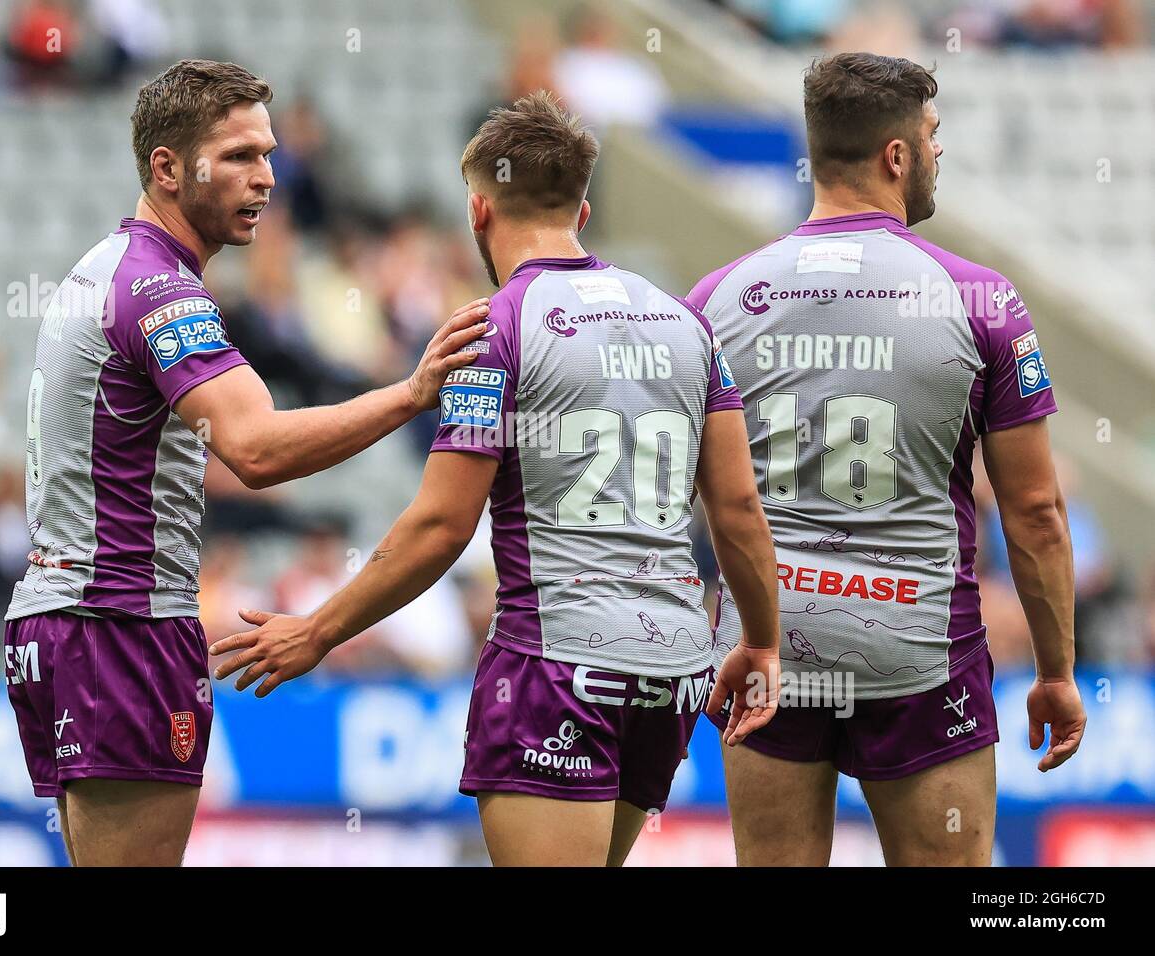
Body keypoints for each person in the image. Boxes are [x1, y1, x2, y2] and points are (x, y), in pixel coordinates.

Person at [211, 90, 781, 867]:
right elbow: (740, 507)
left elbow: (443, 525)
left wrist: (319, 629)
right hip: (670, 671)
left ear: (478, 211)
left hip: (558, 664)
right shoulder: (686, 323)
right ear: (583, 213)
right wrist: (761, 641)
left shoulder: (497, 330)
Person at [3, 59, 487, 867]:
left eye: (267, 155)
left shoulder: (109, 269)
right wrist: (411, 393)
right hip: (120, 626)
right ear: (166, 167)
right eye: (238, 157)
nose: (266, 178)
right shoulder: (162, 291)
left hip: (70, 620)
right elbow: (255, 449)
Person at [687, 52, 1086, 866]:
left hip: (772, 645)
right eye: (933, 137)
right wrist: (1057, 671)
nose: (940, 154)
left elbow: (678, 492)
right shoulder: (981, 300)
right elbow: (1036, 513)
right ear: (896, 157)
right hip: (916, 648)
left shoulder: (716, 299)